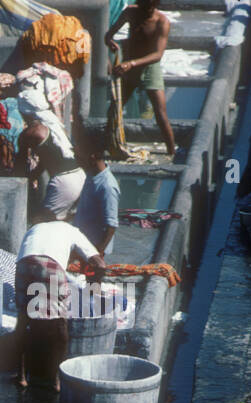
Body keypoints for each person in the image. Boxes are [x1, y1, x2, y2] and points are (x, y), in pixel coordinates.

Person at [14, 210, 106, 390]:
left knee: (23, 320)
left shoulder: (35, 229)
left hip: (23, 264)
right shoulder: (71, 230)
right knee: (60, 323)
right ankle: (57, 380)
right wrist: (93, 286)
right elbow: (100, 264)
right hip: (50, 266)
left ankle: (21, 376)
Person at [107, 0, 177, 157]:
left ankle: (172, 152)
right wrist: (110, 41)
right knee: (114, 108)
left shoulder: (162, 22)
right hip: (129, 67)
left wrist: (132, 63)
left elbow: (157, 54)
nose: (146, 11)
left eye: (150, 8)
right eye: (144, 7)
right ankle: (108, 144)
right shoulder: (130, 12)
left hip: (149, 68)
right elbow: (109, 33)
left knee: (160, 113)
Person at [20, 120, 85, 221]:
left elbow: (20, 163)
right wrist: (31, 177)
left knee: (41, 221)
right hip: (80, 175)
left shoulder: (32, 132)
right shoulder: (54, 125)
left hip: (65, 181)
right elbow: (46, 161)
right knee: (61, 222)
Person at [74, 134, 122, 254]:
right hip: (82, 243)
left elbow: (111, 225)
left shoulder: (107, 186)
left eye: (79, 156)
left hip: (93, 248)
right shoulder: (91, 175)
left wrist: (98, 253)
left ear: (92, 157)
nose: (76, 159)